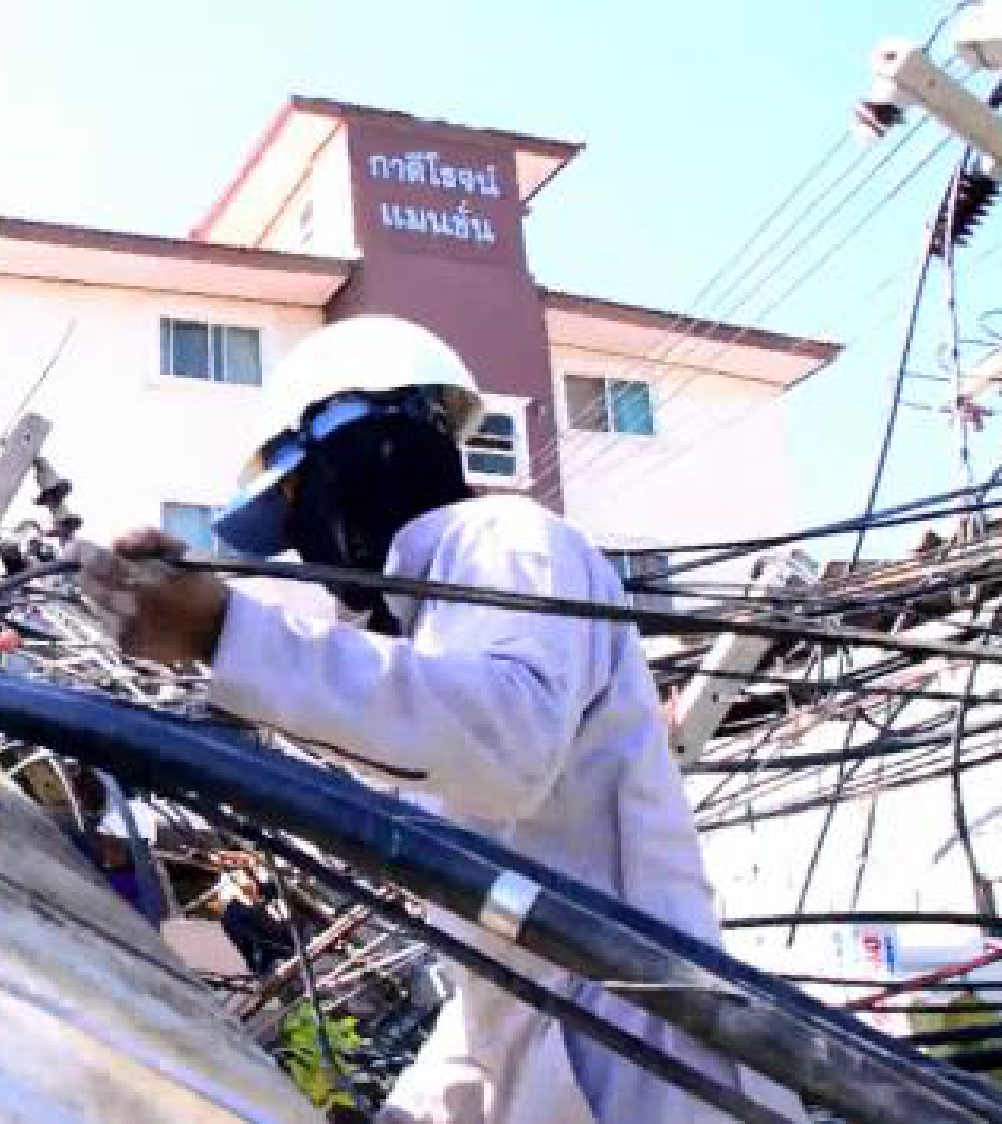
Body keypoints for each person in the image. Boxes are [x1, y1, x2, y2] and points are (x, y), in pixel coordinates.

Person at [78, 316, 797, 1123]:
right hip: (574, 1045)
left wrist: (226, 632)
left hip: (659, 1060)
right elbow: (496, 986)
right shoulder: (419, 647)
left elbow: (507, 740)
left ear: (365, 448)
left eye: (295, 503)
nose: (304, 548)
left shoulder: (505, 539)